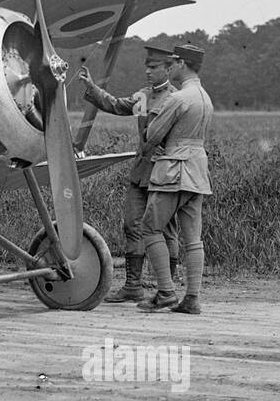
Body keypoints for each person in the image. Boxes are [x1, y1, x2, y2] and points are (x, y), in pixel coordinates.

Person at [77, 45, 179, 303]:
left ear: (169, 69)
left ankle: (166, 288)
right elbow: (118, 106)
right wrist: (92, 87)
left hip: (165, 174)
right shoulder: (144, 97)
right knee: (132, 225)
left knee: (166, 230)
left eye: (154, 67)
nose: (148, 71)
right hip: (141, 173)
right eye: (147, 66)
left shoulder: (177, 99)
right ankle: (133, 286)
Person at [137, 43, 213, 314]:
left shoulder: (179, 98)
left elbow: (152, 135)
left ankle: (166, 292)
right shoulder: (204, 97)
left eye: (174, 62)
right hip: (197, 172)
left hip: (173, 171)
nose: (171, 67)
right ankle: (192, 298)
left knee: (150, 228)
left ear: (182, 64)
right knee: (193, 238)